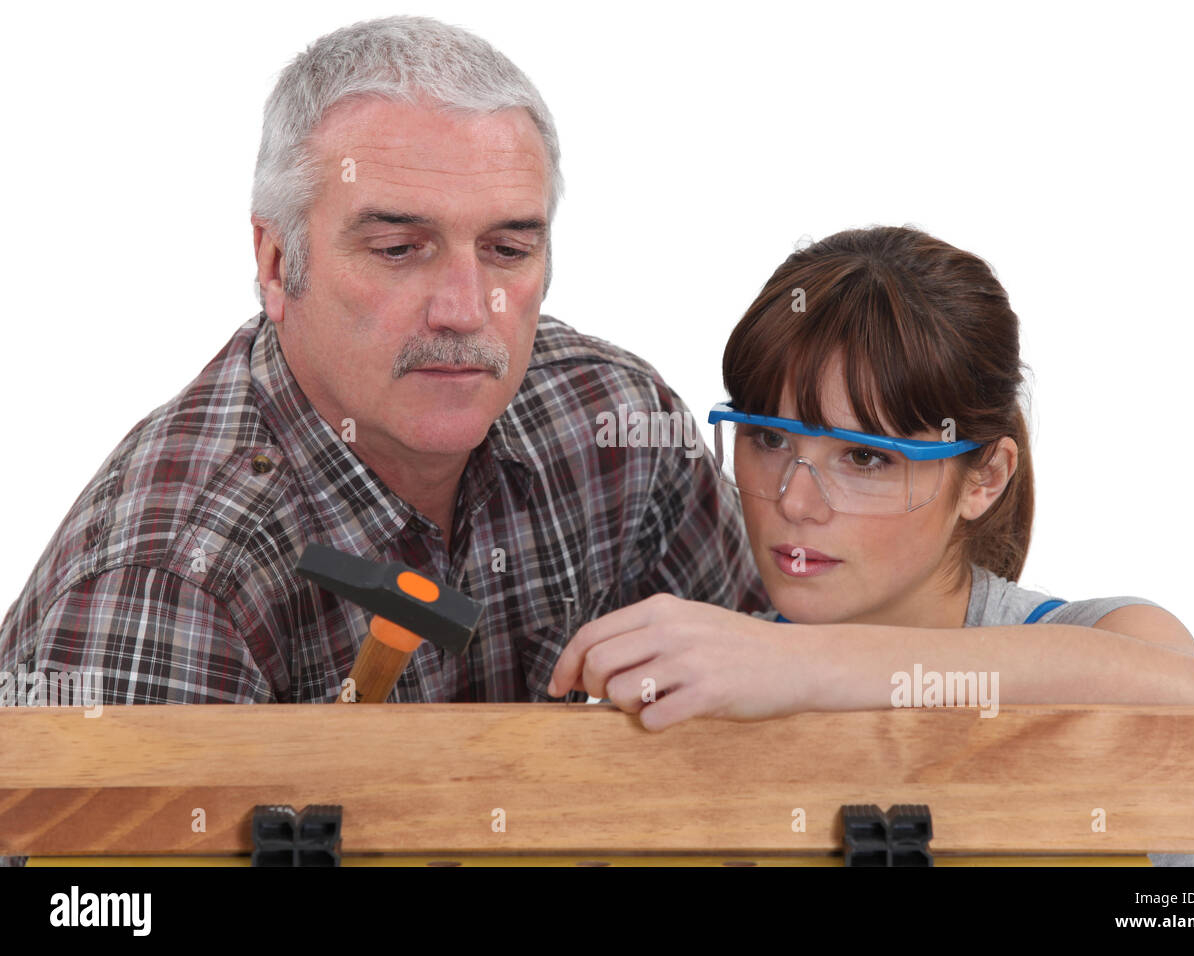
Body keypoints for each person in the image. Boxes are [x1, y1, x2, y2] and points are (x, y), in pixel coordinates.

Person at [0, 15, 766, 706]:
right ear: (275, 263)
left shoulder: (618, 428)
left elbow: (774, 716)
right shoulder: (170, 585)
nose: (466, 311)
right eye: (400, 250)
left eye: (507, 250)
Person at [548, 225, 1194, 866]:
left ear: (985, 479)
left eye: (866, 458)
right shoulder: (704, 681)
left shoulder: (1099, 639)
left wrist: (803, 666)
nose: (794, 501)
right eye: (768, 438)